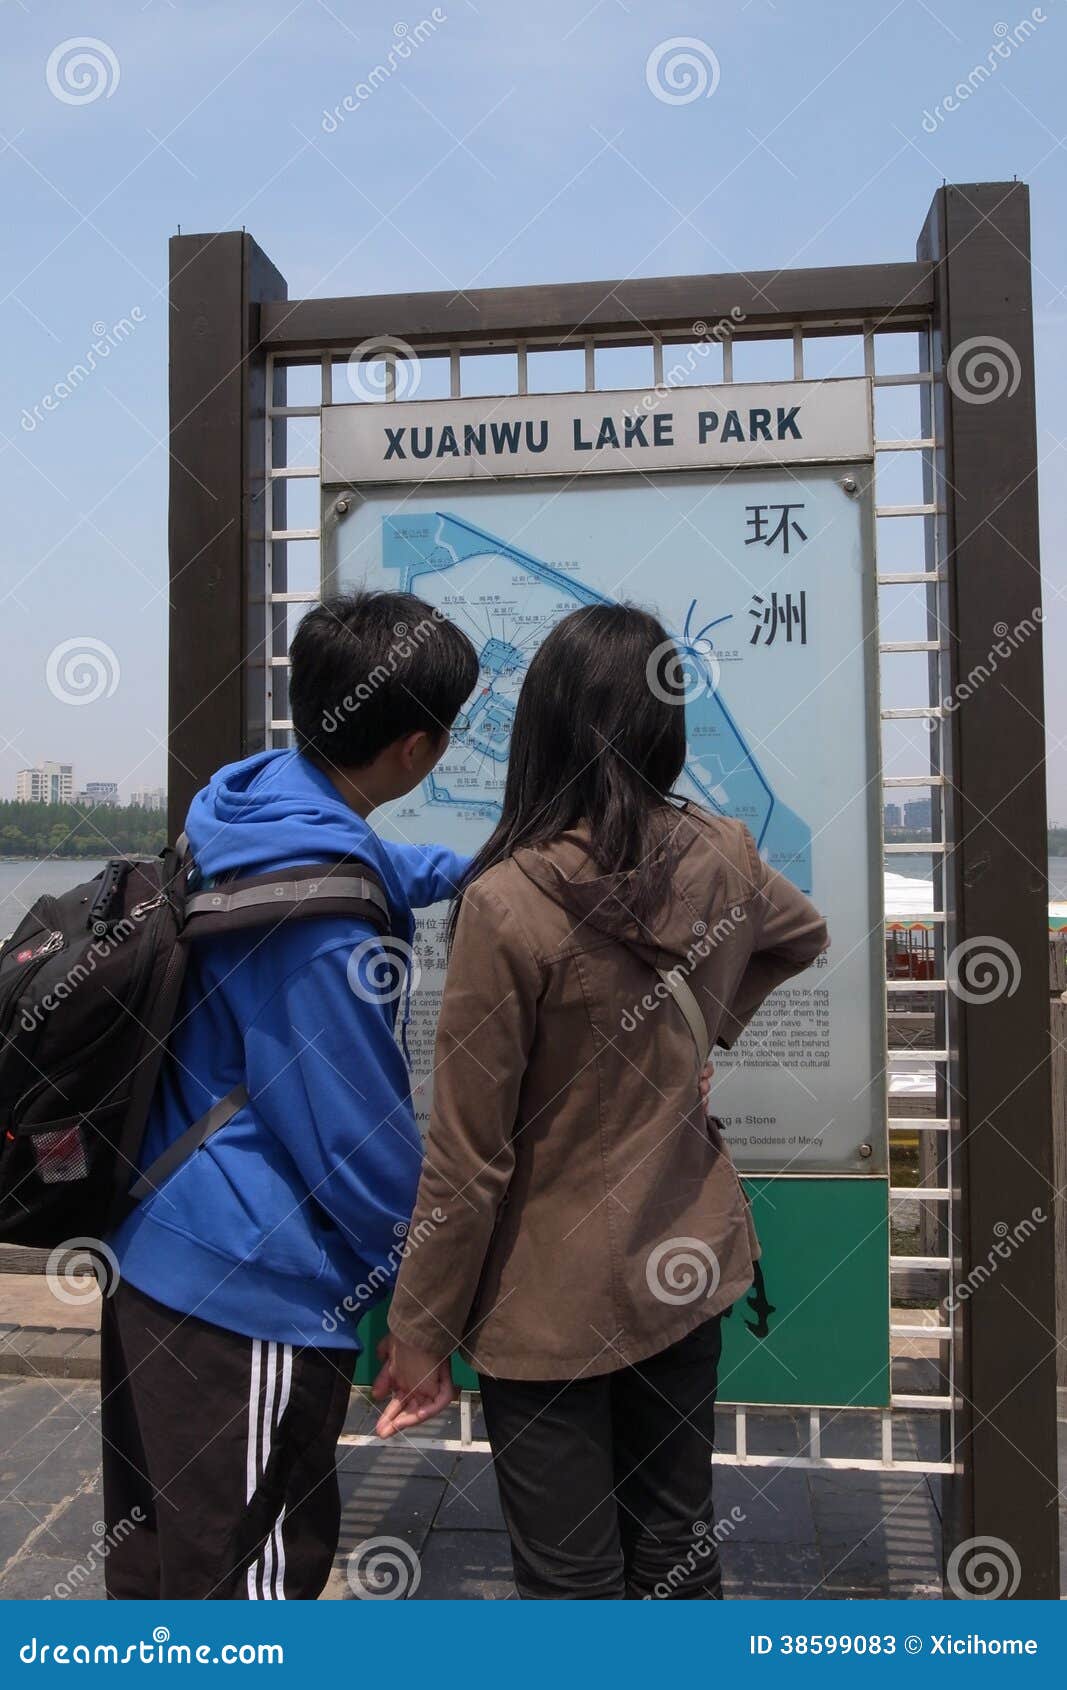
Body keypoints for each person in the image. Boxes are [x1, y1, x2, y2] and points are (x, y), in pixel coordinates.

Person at [374, 603, 829, 1600]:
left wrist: (417, 1333)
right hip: (682, 1262)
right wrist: (703, 1028)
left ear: (538, 726)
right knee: (675, 1552)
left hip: (548, 1303)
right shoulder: (716, 848)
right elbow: (801, 934)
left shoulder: (507, 900)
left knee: (569, 1579)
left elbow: (468, 1153)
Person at [101, 590, 477, 1600]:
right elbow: (356, 1142)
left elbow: (369, 862)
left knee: (160, 1578)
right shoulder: (321, 921)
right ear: (414, 749)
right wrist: (421, 1299)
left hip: (162, 1254)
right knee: (250, 1586)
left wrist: (478, 868)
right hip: (250, 1288)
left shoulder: (249, 805)